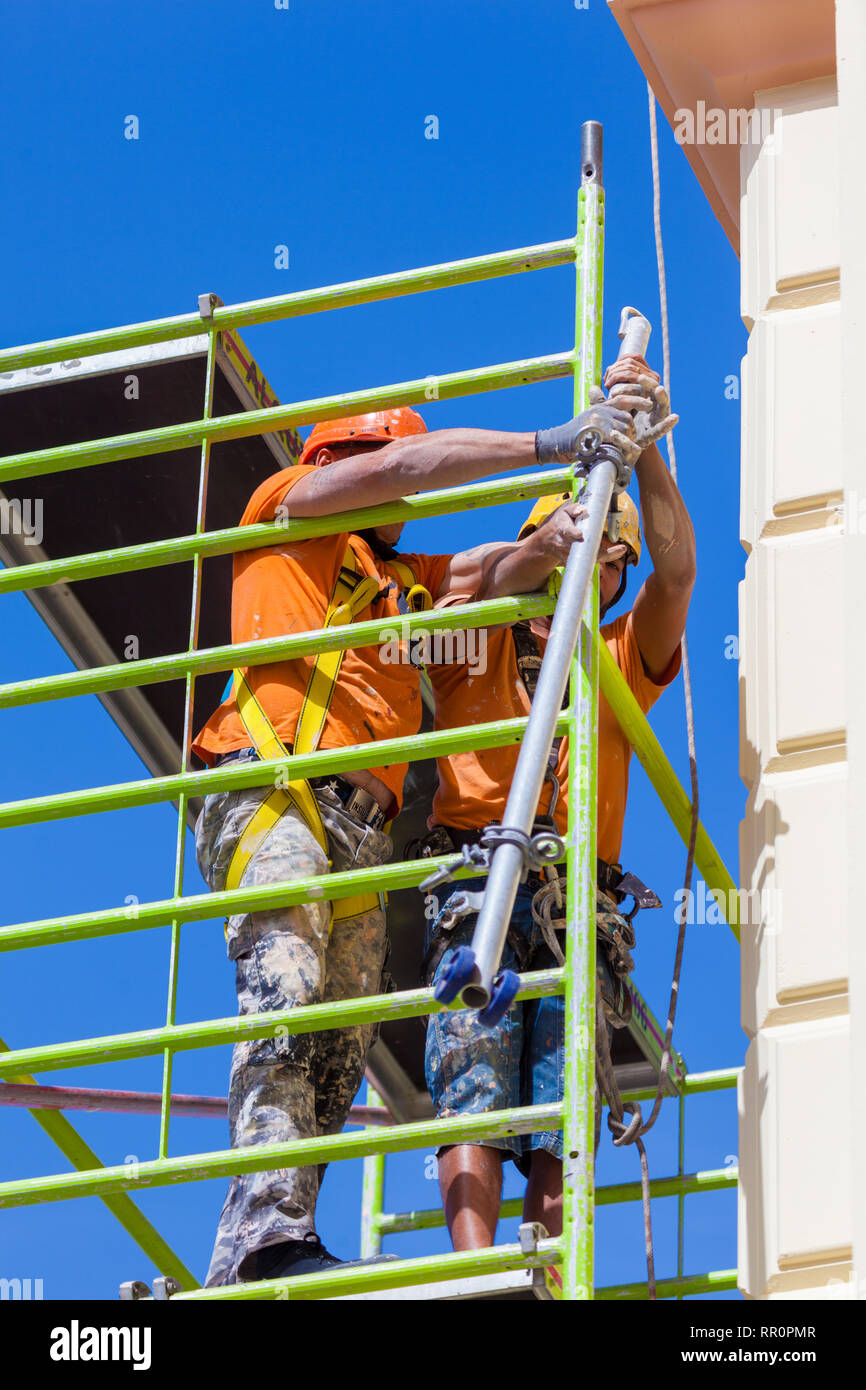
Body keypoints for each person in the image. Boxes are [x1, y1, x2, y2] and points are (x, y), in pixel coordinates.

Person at [191, 399, 637, 1286]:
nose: (406, 498)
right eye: (393, 464)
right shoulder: (289, 503)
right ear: (351, 454)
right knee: (285, 997)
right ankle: (255, 1236)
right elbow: (402, 471)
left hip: (360, 828)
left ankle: (285, 1238)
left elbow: (487, 570)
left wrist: (560, 539)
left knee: (338, 1041)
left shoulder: (402, 578)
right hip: (275, 788)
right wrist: (550, 439)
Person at [417, 355, 694, 1249]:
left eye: (607, 564)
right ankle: (476, 1266)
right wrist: (539, 551)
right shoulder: (480, 633)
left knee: (557, 1099)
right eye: (581, 551)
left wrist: (643, 447)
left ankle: (547, 1267)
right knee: (472, 1071)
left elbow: (678, 577)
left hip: (579, 893)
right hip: (478, 868)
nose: (592, 575)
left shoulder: (610, 658)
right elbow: (461, 596)